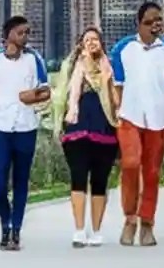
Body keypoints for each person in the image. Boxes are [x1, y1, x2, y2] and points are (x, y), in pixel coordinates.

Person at [0, 15, 50, 251]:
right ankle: (4, 222)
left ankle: (15, 229)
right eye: (20, 32)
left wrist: (31, 96)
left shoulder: (34, 60)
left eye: (27, 33)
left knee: (21, 181)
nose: (25, 37)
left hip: (26, 128)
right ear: (8, 35)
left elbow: (45, 91)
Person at [109, 2, 164, 247]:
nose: (155, 25)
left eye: (158, 20)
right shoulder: (122, 49)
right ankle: (130, 218)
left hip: (158, 119)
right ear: (139, 24)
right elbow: (117, 85)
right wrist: (116, 110)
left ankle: (147, 222)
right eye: (149, 22)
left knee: (152, 172)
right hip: (129, 116)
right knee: (130, 164)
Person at [50, 26, 120, 248]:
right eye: (87, 39)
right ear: (81, 44)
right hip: (77, 127)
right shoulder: (72, 66)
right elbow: (62, 94)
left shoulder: (109, 67)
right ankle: (79, 230)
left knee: (100, 180)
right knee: (78, 177)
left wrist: (107, 78)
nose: (91, 43)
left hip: (105, 127)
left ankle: (96, 230)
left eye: (95, 39)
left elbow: (117, 101)